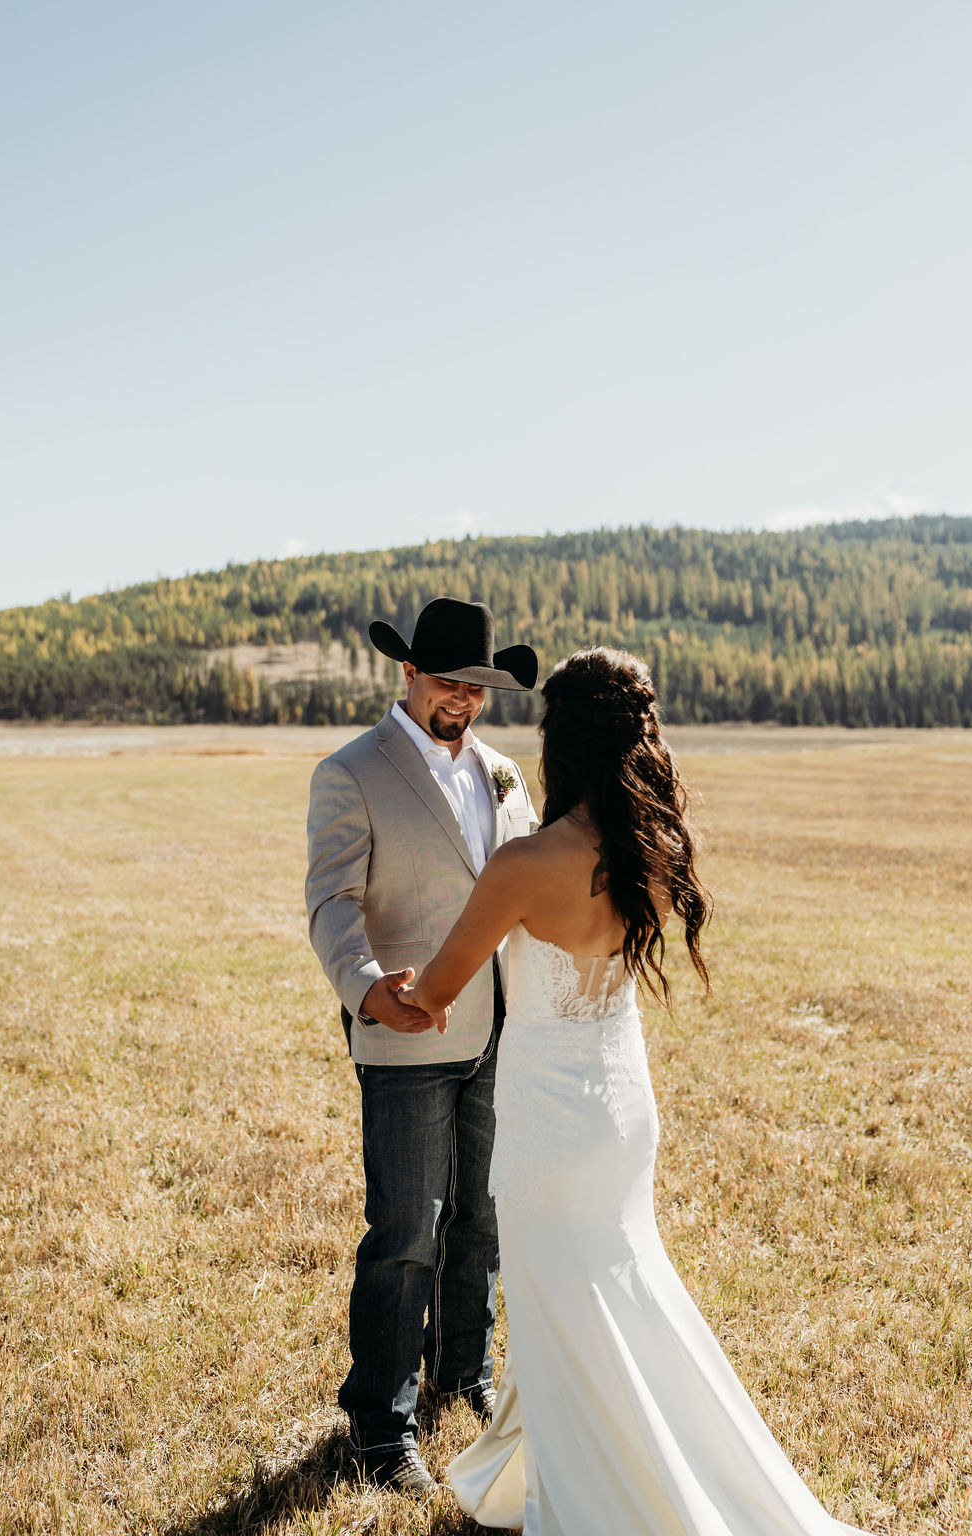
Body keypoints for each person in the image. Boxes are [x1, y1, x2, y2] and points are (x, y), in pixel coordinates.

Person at [409, 646, 872, 1535]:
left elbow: (439, 990)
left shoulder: (524, 866)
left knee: (566, 1309)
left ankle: (603, 1495)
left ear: (562, 744)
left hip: (546, 1125)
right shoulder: (655, 852)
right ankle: (587, 1464)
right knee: (623, 1291)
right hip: (623, 1113)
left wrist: (392, 991)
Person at [304, 596, 539, 1496]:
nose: (464, 701)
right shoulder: (349, 772)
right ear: (406, 674)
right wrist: (366, 988)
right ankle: (379, 1423)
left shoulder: (506, 774)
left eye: (477, 688)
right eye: (448, 683)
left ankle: (463, 1375)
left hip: (499, 1034)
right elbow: (332, 901)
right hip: (402, 1036)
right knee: (406, 1232)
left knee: (479, 1222)